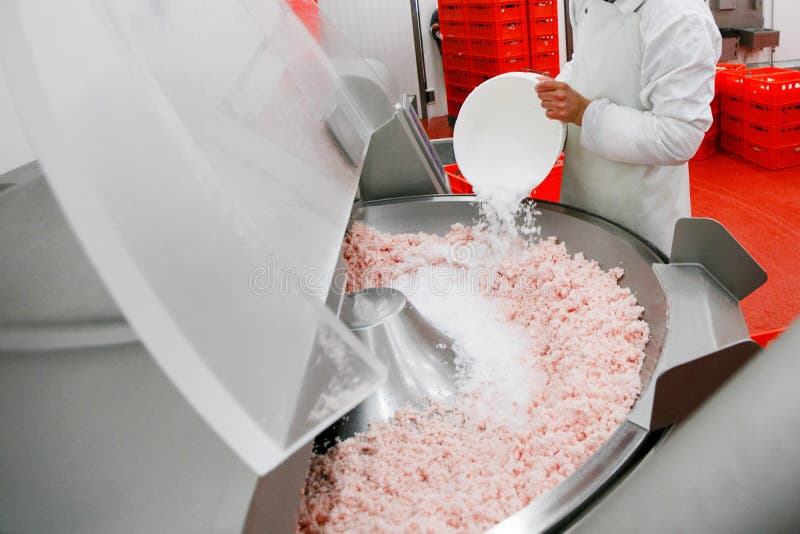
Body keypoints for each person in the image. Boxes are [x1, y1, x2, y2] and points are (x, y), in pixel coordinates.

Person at [535, 0, 722, 254]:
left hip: (640, 217)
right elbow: (583, 61)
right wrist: (554, 96)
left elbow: (677, 136)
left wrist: (582, 112)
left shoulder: (679, 15)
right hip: (581, 195)